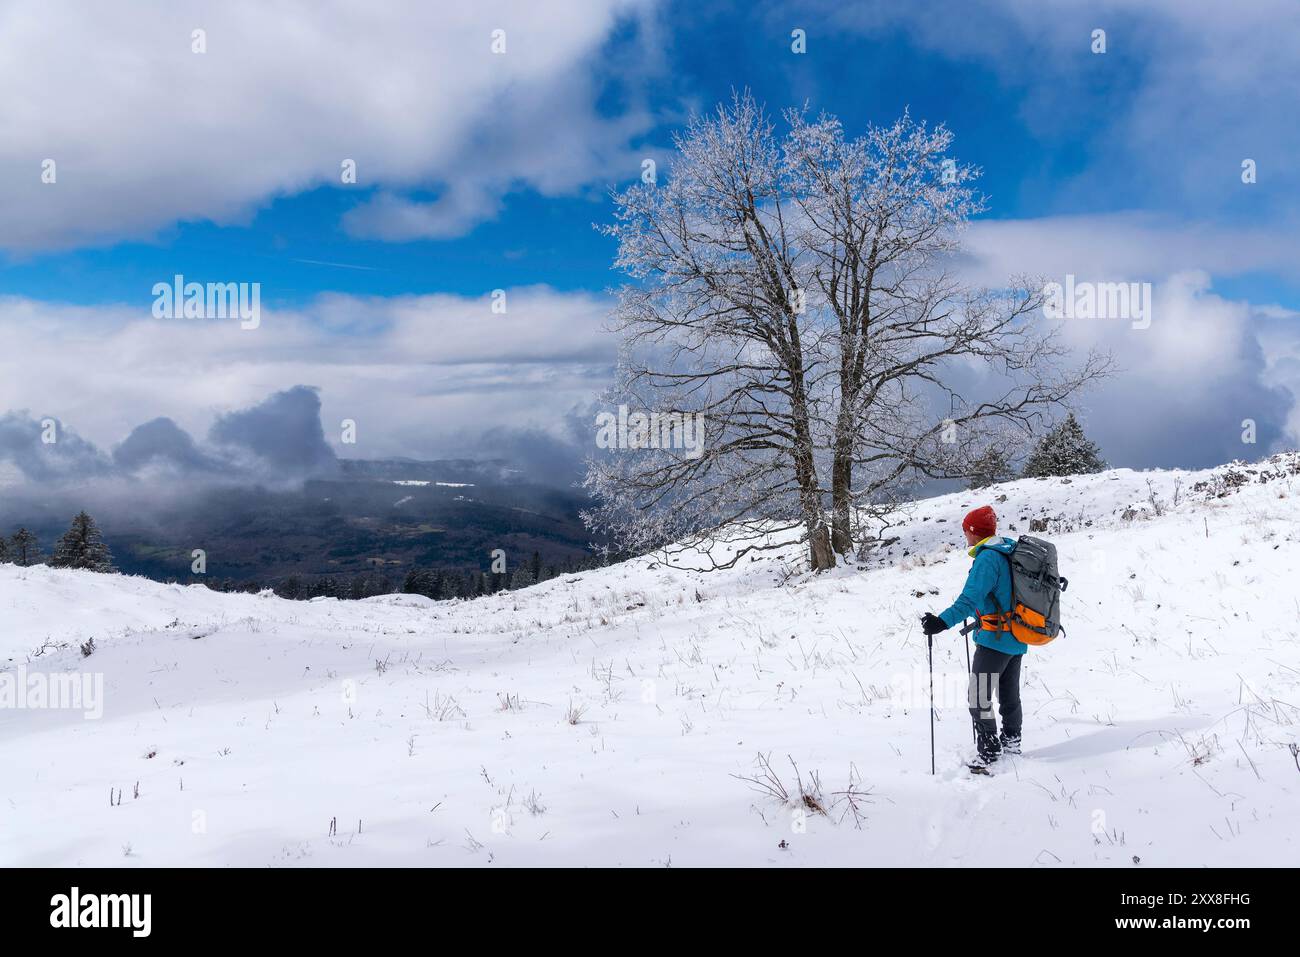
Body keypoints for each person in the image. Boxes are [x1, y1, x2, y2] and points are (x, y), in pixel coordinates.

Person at [921, 505, 1025, 770]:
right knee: (1009, 695)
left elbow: (970, 599)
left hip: (994, 639)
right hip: (1016, 636)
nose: (965, 536)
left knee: (978, 697)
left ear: (973, 532)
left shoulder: (988, 559)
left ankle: (989, 751)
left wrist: (941, 622)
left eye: (966, 531)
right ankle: (1012, 742)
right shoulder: (1008, 551)